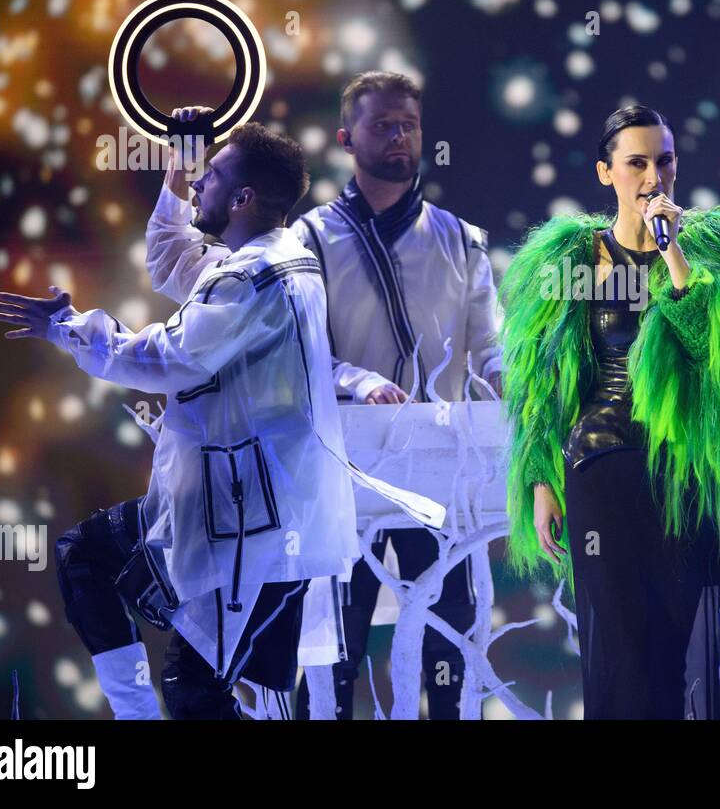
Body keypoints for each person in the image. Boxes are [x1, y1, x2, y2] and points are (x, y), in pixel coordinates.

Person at [0, 123, 438, 719]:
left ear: (244, 198)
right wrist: (177, 178)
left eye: (214, 175)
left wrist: (67, 328)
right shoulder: (270, 261)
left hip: (257, 525)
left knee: (195, 691)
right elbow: (171, 256)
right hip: (226, 510)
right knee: (84, 555)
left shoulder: (252, 277)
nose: (202, 180)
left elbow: (165, 359)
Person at [147, 72, 500, 720]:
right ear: (346, 139)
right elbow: (182, 266)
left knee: (452, 650)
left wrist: (516, 417)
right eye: (382, 125)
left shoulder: (462, 241)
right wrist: (185, 165)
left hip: (444, 475)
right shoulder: (301, 242)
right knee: (334, 656)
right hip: (339, 473)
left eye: (409, 124)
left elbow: (493, 357)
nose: (399, 136)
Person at [499, 105, 720, 719]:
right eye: (637, 163)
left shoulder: (709, 252)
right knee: (619, 648)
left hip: (680, 473)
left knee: (675, 644)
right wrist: (539, 478)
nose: (653, 176)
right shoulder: (576, 259)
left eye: (664, 161)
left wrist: (675, 254)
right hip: (599, 471)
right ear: (606, 173)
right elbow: (540, 386)